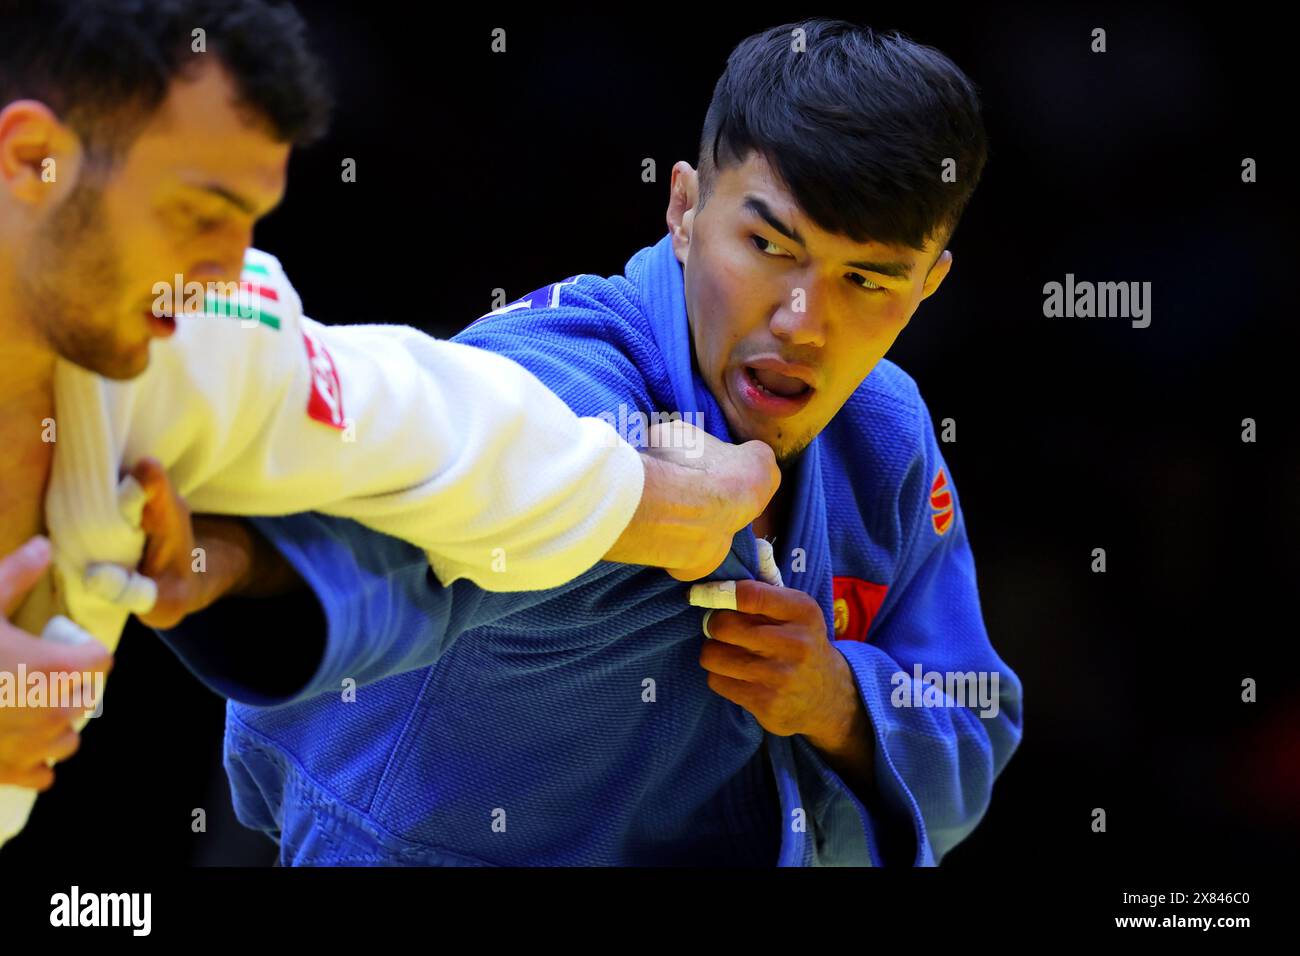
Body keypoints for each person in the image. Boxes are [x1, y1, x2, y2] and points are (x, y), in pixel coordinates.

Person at [154, 19, 1024, 865]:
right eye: (767, 245)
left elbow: (972, 731)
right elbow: (399, 500)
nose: (804, 323)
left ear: (928, 285)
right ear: (684, 209)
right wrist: (231, 559)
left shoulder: (888, 434)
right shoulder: (556, 379)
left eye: (868, 280)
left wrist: (837, 702)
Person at [0, 0, 778, 849]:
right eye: (198, 212)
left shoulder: (193, 333)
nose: (226, 267)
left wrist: (646, 497)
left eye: (249, 218)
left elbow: (422, 415)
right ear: (33, 161)